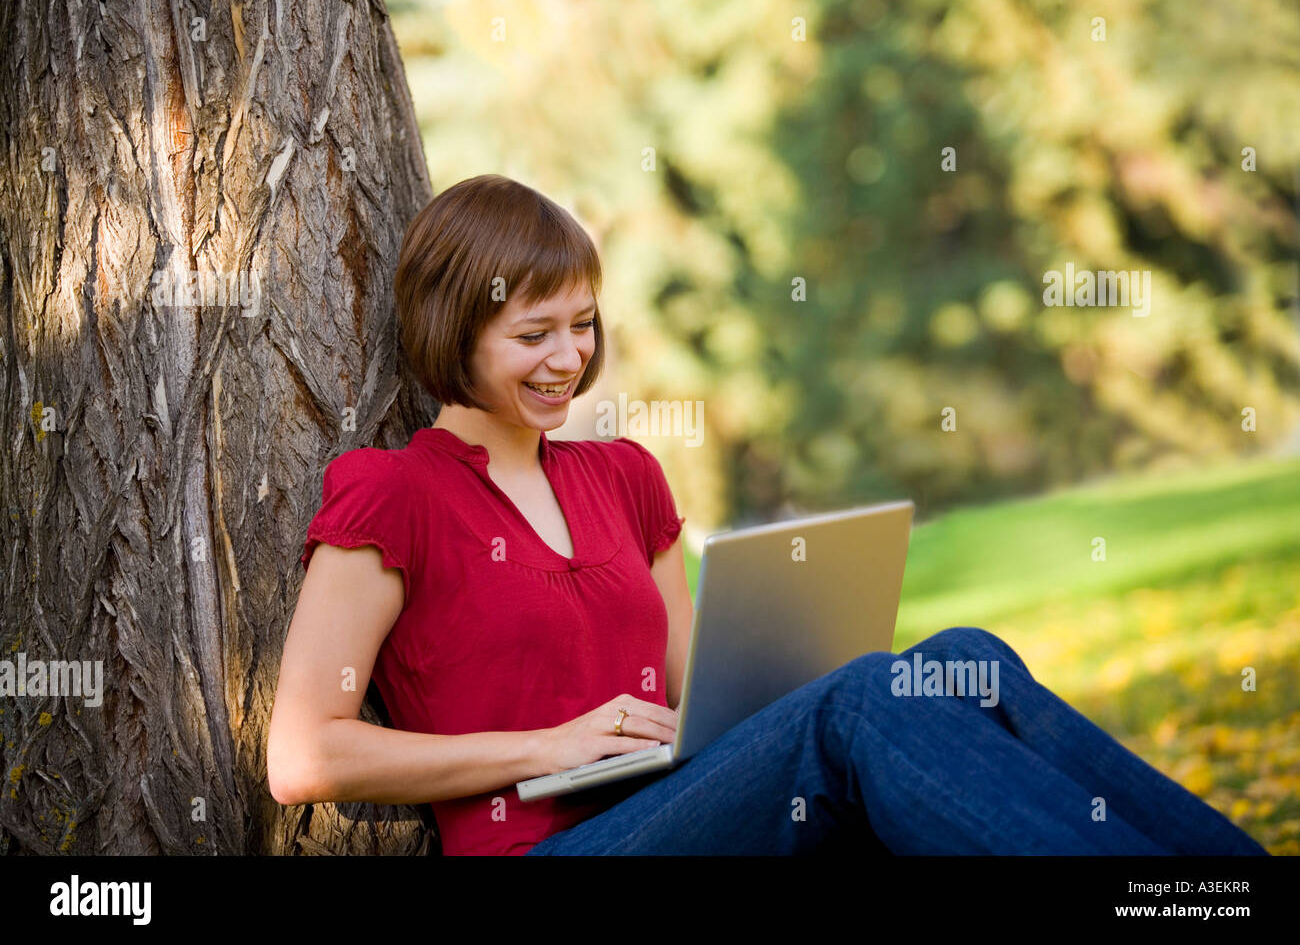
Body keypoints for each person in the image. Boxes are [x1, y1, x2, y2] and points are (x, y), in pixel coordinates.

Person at [267, 174, 1267, 856]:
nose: (568, 357)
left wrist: (769, 683)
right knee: (865, 698)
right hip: (555, 844)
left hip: (687, 805)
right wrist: (550, 744)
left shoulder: (622, 475)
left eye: (582, 324)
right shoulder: (394, 493)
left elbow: (709, 695)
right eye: (533, 333)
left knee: (964, 654)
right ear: (454, 328)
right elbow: (304, 754)